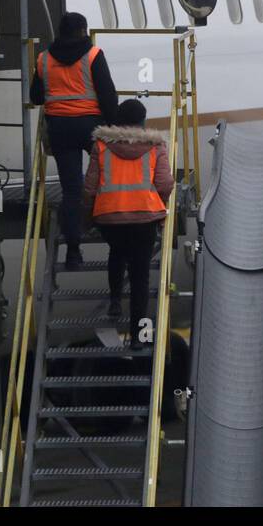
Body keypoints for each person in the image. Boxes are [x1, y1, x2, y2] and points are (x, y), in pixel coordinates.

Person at [81, 99, 173, 348]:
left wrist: (87, 216)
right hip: (145, 217)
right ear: (143, 121)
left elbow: (90, 186)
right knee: (140, 278)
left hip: (110, 218)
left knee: (117, 253)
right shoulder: (156, 145)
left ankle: (114, 300)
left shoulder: (101, 146)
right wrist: (160, 204)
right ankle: (137, 338)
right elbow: (165, 183)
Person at [30, 11, 118, 268]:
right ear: (82, 31)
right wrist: (113, 128)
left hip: (60, 129)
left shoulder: (44, 59)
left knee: (71, 191)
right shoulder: (93, 55)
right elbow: (107, 94)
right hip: (91, 126)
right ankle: (107, 232)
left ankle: (73, 251)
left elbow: (36, 97)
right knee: (104, 180)